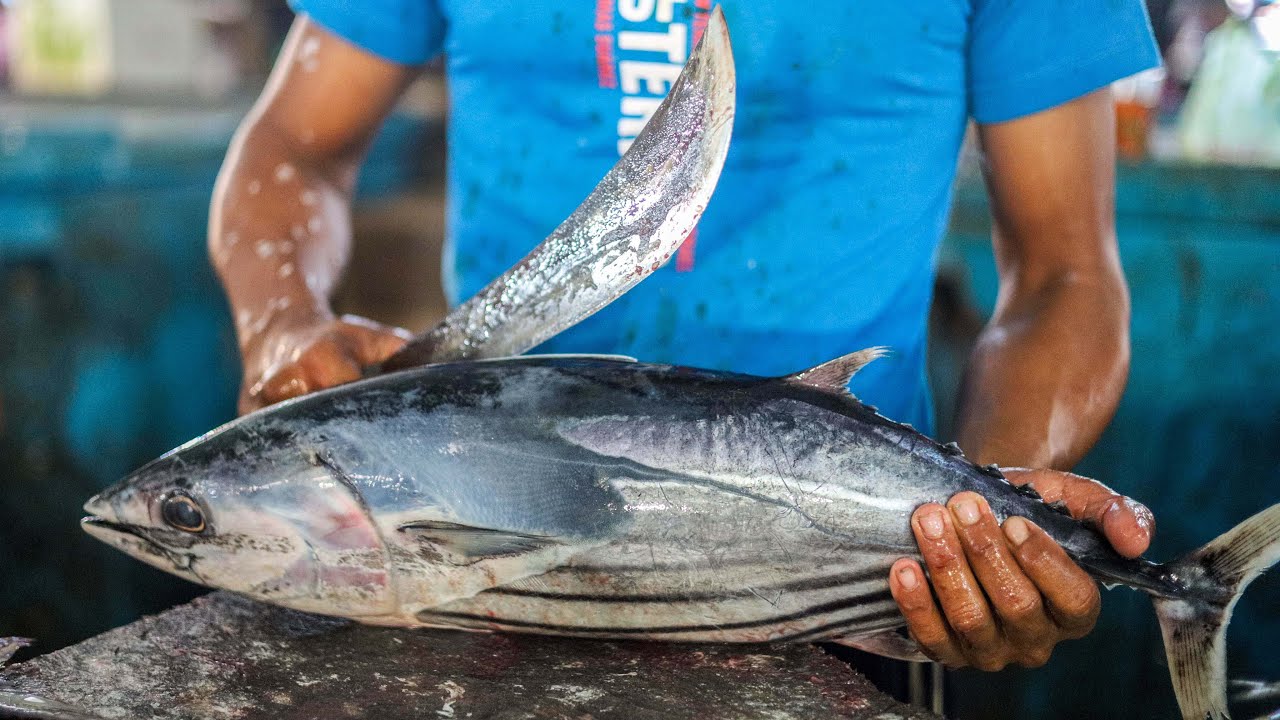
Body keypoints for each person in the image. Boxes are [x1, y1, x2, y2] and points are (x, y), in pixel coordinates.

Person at [209, 1, 1159, 676]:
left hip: (850, 587)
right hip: (470, 552)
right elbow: (293, 147)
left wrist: (978, 521)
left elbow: (1065, 275)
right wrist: (281, 316)